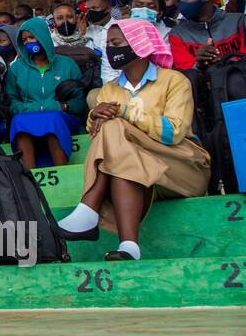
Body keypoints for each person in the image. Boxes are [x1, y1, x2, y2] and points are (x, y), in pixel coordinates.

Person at [56, 20, 210, 261]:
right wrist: (94, 117)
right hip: (138, 170)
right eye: (108, 44)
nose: (110, 49)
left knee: (115, 129)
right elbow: (106, 144)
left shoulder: (174, 81)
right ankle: (129, 246)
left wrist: (125, 112)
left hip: (181, 167)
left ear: (140, 44)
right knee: (118, 152)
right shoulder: (109, 89)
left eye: (116, 43)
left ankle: (88, 208)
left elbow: (173, 132)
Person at [5, 17, 85, 169]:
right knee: (19, 122)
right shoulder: (16, 68)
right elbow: (11, 100)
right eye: (25, 39)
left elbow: (80, 100)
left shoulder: (67, 64)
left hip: (62, 117)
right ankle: (30, 179)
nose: (28, 42)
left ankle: (61, 172)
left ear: (43, 36)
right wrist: (30, 108)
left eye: (32, 37)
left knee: (52, 119)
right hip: (28, 117)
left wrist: (64, 107)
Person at [168, 0, 246, 71]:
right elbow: (185, 71)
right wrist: (199, 64)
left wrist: (223, 62)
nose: (181, 3)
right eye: (178, 0)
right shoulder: (178, 34)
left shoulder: (238, 21)